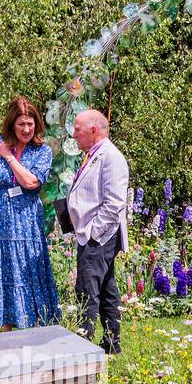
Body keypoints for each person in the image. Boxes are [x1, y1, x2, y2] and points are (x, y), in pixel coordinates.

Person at [0, 97, 59, 330]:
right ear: (12, 123)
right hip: (0, 218)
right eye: (21, 124)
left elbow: (31, 182)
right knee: (6, 271)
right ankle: (6, 332)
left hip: (28, 220)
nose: (26, 129)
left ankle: (37, 329)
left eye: (30, 124)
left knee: (30, 270)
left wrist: (9, 157)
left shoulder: (42, 151)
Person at [66, 108, 129, 354]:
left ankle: (83, 346)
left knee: (87, 290)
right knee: (106, 288)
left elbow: (114, 203)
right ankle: (112, 343)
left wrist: (93, 232)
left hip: (99, 236)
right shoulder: (94, 154)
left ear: (94, 130)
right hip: (93, 234)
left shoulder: (110, 157)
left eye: (78, 130)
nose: (74, 135)